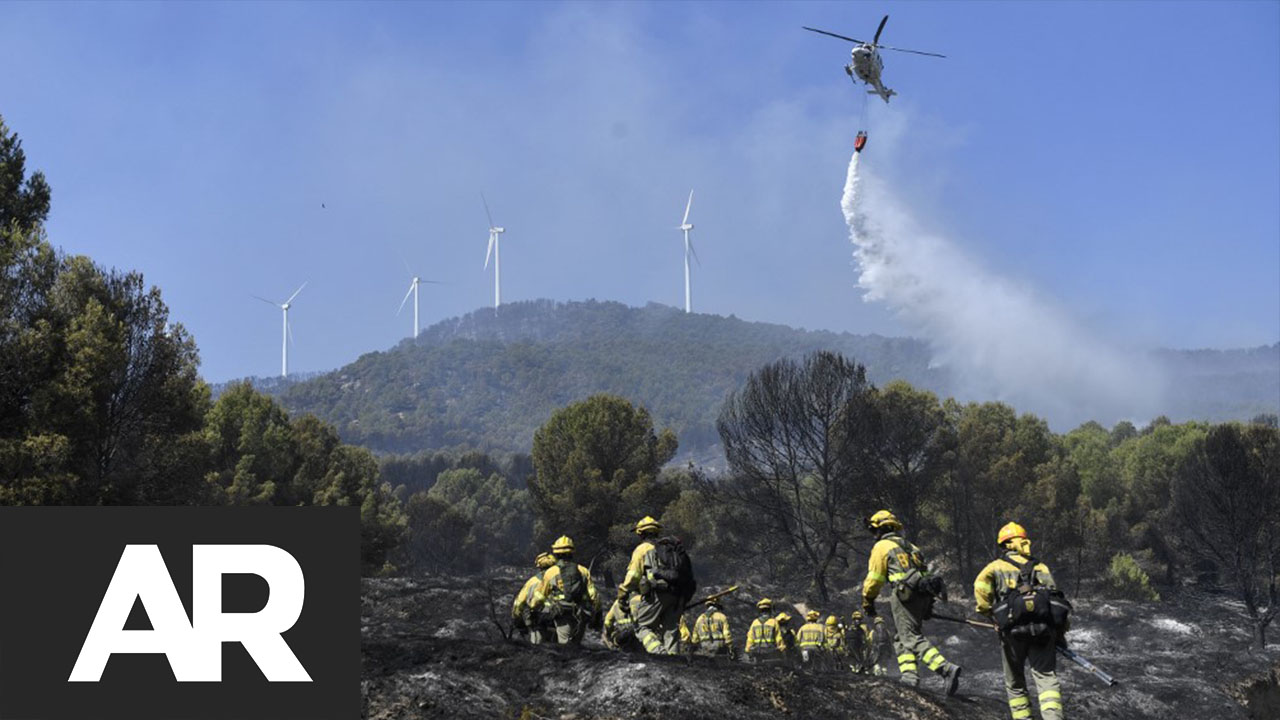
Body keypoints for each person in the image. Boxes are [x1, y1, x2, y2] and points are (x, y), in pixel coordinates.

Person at [861, 509, 962, 695]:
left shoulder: (882, 547)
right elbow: (926, 578)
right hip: (921, 596)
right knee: (901, 637)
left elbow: (875, 578)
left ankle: (945, 669)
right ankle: (909, 677)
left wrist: (868, 600)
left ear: (880, 529)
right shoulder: (912, 547)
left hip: (903, 596)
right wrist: (927, 606)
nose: (873, 534)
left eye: (873, 530)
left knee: (910, 637)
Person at [974, 522, 1066, 720]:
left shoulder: (995, 567)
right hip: (1043, 631)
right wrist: (1060, 634)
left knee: (1015, 682)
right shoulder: (1041, 567)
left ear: (1005, 545)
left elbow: (980, 589)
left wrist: (989, 614)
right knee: (1046, 677)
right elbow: (1056, 602)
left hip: (1011, 633)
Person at [617, 516, 691, 655]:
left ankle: (660, 653)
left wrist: (622, 594)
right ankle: (673, 660)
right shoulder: (668, 548)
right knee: (671, 630)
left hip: (657, 594)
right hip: (677, 594)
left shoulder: (642, 549)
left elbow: (633, 577)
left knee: (641, 627)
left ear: (640, 533)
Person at [530, 535, 599, 646]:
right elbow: (594, 596)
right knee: (576, 644)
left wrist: (533, 608)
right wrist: (596, 614)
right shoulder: (583, 571)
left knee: (565, 644)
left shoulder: (551, 572)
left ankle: (569, 661)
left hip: (562, 614)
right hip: (580, 612)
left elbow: (539, 595)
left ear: (556, 553)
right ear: (572, 552)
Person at [512, 552, 556, 644]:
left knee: (538, 650)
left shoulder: (532, 582)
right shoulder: (562, 580)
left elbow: (519, 603)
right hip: (559, 620)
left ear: (539, 567)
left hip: (538, 622)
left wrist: (517, 620)